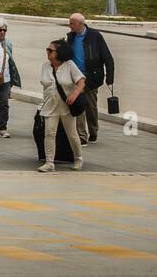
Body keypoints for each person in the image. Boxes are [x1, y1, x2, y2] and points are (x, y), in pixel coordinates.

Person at [38, 39, 85, 172]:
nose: (47, 52)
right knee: (49, 133)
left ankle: (78, 158)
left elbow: (81, 82)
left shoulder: (69, 65)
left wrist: (74, 95)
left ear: (59, 52)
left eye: (50, 50)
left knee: (72, 134)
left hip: (66, 106)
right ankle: (49, 162)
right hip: (50, 105)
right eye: (47, 49)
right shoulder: (45, 66)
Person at [67, 13, 114, 145]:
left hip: (92, 77)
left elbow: (107, 57)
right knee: (78, 106)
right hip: (76, 78)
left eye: (72, 23)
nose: (69, 25)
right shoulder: (70, 37)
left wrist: (109, 78)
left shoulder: (95, 36)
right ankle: (81, 136)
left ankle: (93, 131)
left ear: (80, 24)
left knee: (90, 107)